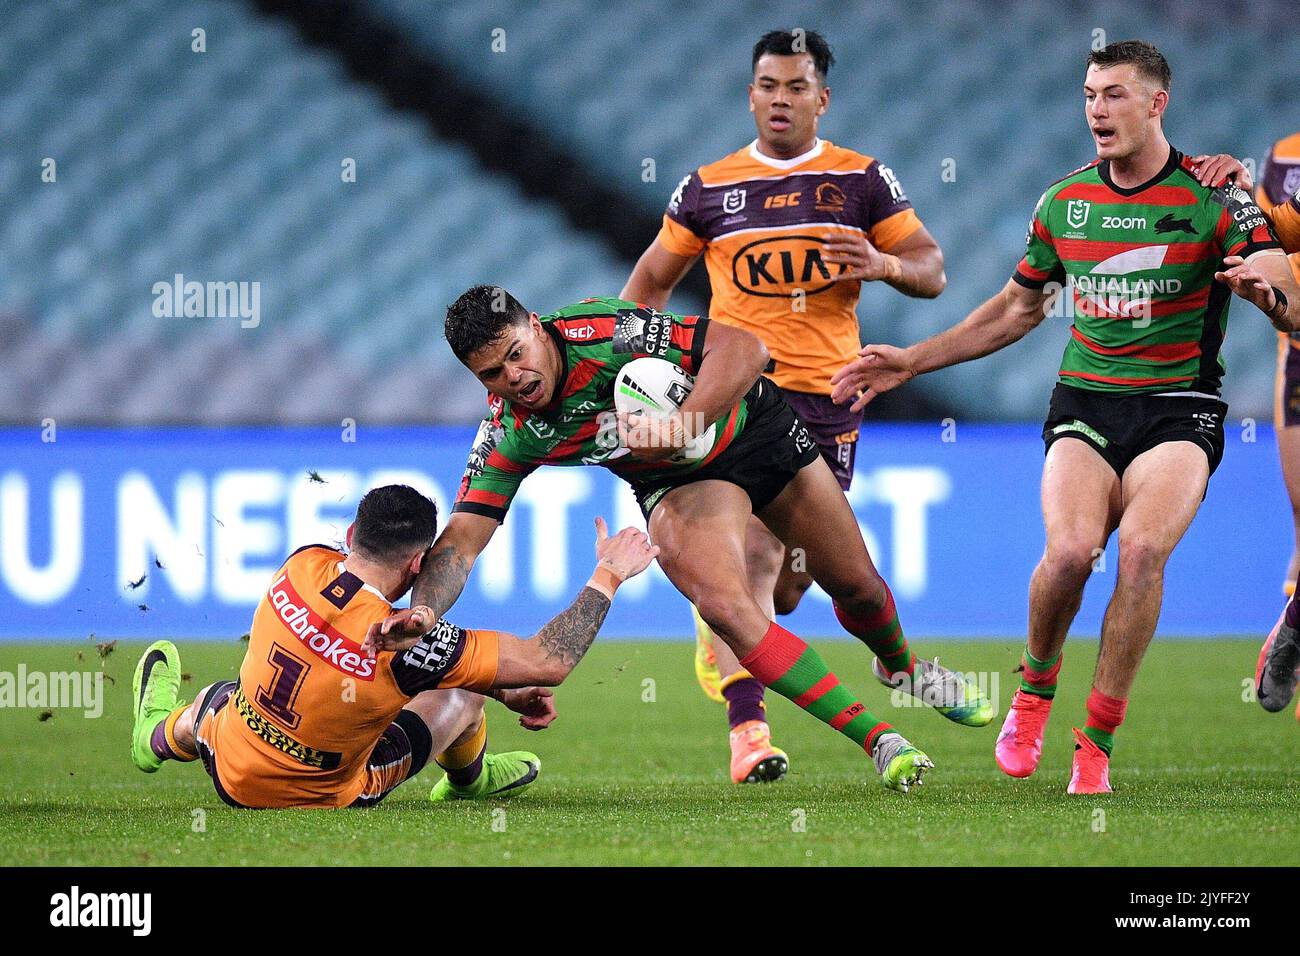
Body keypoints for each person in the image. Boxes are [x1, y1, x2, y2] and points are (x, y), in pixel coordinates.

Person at [831, 41, 1300, 793]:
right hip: (1085, 401)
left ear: (1156, 104)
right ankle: (1035, 690)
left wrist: (1268, 292)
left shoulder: (1216, 195)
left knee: (1144, 553)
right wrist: (912, 361)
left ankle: (1096, 742)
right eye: (1089, 94)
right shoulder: (1064, 202)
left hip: (1180, 407)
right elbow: (1018, 309)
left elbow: (1280, 273)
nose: (1096, 110)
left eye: (1114, 94)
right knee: (1072, 554)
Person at [367, 287, 994, 794]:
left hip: (758, 430)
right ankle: (879, 739)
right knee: (726, 607)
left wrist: (683, 422)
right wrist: (423, 611)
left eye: (516, 352)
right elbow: (461, 543)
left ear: (535, 325)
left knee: (856, 588)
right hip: (676, 485)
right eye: (493, 373)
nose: (515, 375)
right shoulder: (511, 433)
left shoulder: (605, 332)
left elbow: (746, 348)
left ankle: (903, 666)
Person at [620, 29, 946, 783]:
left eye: (797, 87)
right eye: (768, 85)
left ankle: (852, 655)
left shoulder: (862, 180)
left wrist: (886, 263)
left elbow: (933, 271)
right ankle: (749, 735)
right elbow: (647, 287)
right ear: (751, 94)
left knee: (806, 583)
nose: (780, 99)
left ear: (822, 98)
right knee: (754, 565)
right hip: (738, 400)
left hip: (828, 399)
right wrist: (653, 368)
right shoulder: (707, 189)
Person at [129, 484, 658, 808]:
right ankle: (468, 781)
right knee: (462, 694)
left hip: (230, 768)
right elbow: (548, 662)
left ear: (354, 531)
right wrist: (608, 574)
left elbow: (342, 646)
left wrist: (504, 690)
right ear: (416, 566)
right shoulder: (413, 646)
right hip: (322, 798)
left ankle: (151, 736)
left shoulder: (301, 564)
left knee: (218, 697)